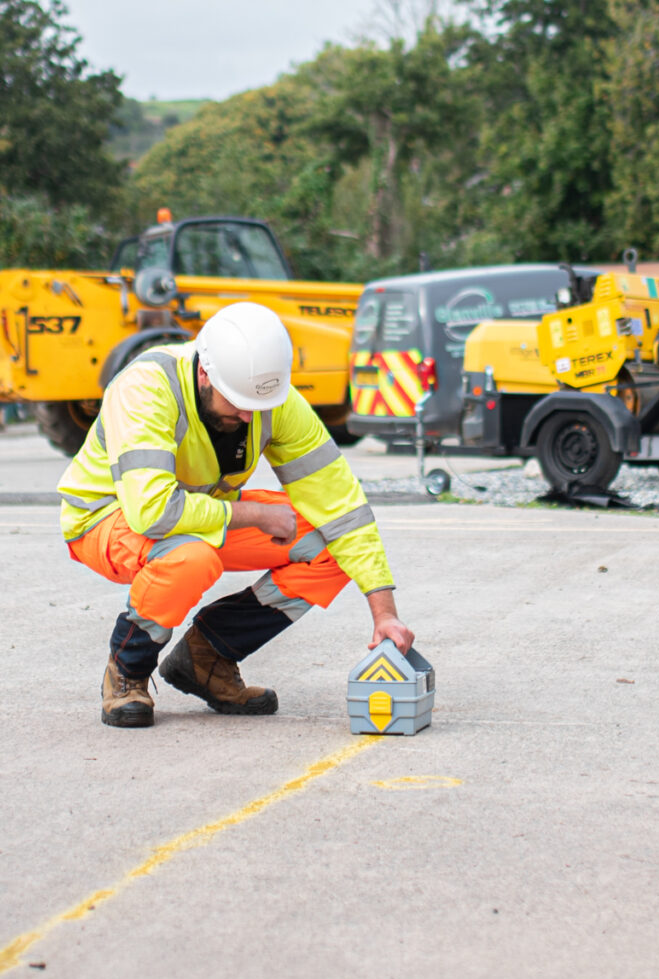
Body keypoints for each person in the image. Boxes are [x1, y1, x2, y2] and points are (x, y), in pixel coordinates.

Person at [60, 303, 415, 727]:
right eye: (240, 402)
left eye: (259, 404)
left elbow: (342, 507)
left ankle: (207, 657)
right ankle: (128, 671)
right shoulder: (145, 387)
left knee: (328, 546)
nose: (250, 416)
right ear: (205, 373)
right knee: (191, 558)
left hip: (200, 513)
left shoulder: (270, 398)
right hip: (108, 518)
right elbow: (152, 511)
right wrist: (256, 516)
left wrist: (384, 613)